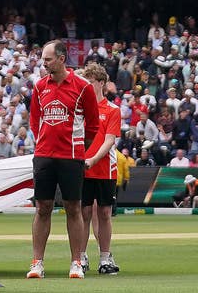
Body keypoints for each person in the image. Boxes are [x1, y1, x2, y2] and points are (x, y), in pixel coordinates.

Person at [27, 40, 99, 280]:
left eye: (47, 59)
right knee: (42, 208)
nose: (44, 63)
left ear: (61, 59)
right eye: (43, 59)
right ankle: (37, 263)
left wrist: (80, 149)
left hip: (71, 157)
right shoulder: (39, 87)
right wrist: (43, 144)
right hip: (44, 156)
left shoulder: (83, 87)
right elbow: (34, 121)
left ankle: (76, 262)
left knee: (73, 208)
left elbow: (93, 125)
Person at [76, 63, 120, 275]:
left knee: (104, 212)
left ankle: (105, 257)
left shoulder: (112, 110)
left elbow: (109, 141)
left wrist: (92, 159)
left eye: (91, 81)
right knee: (83, 213)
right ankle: (81, 257)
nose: (87, 85)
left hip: (104, 169)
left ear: (102, 83)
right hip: (83, 167)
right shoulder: (80, 110)